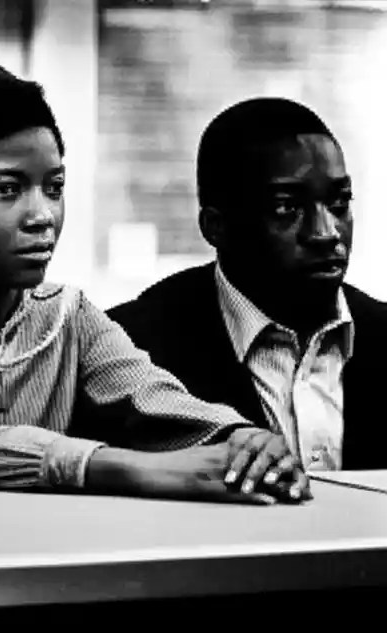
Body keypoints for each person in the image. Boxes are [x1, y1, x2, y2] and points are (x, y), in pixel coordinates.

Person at [0, 58, 309, 505]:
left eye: (54, 187)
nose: (42, 216)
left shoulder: (67, 314)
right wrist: (117, 468)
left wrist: (245, 440)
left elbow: (156, 400)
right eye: (7, 190)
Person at [109, 98, 387, 472]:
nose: (326, 232)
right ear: (216, 226)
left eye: (339, 203)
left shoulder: (382, 334)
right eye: (287, 207)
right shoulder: (133, 350)